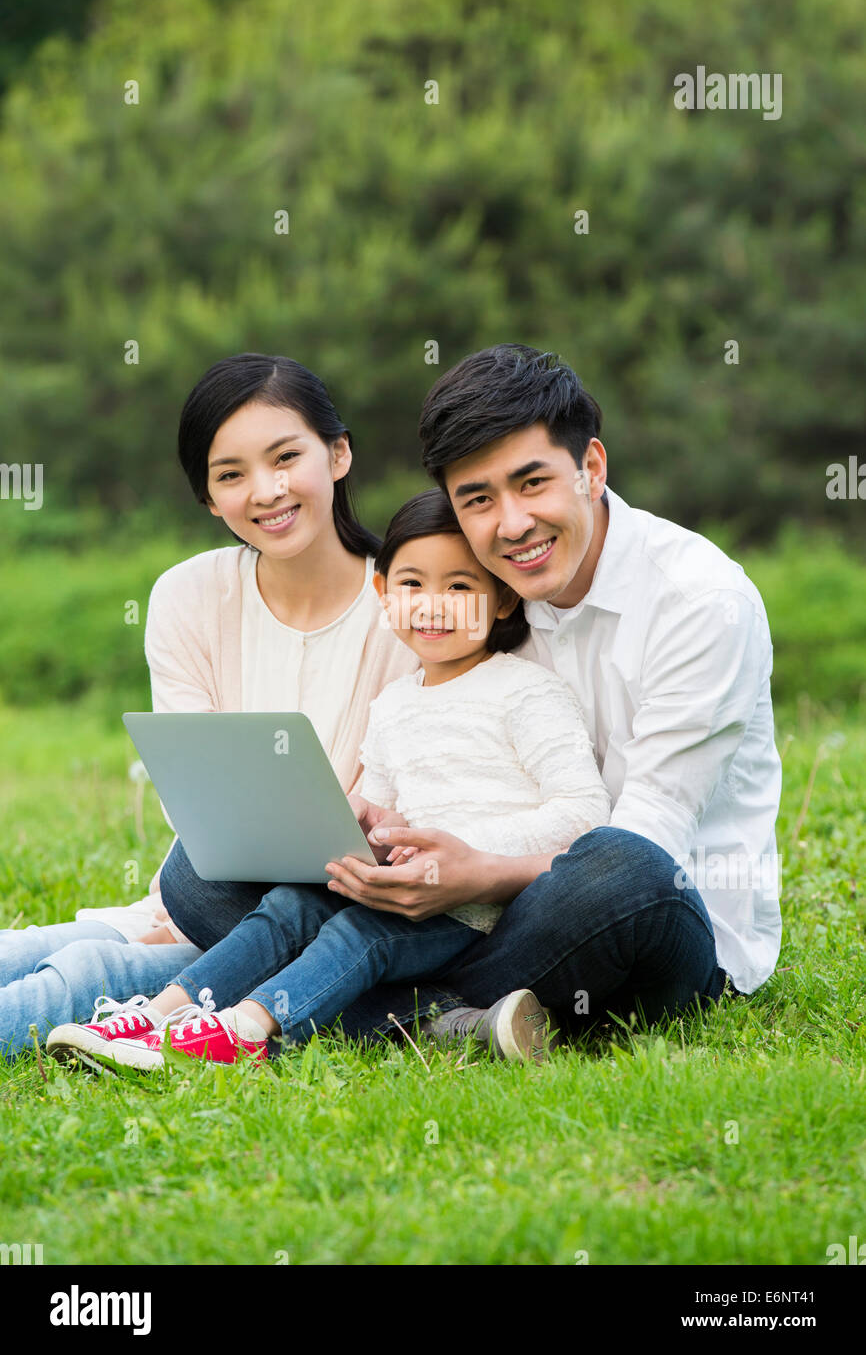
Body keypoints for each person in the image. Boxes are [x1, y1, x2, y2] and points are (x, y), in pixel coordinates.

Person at [293, 343, 783, 1045]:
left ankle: (351, 998)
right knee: (203, 877)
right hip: (466, 916)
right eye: (478, 500)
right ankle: (456, 1017)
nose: (512, 524)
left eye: (532, 483)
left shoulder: (701, 602)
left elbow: (648, 836)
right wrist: (380, 832)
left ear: (591, 467)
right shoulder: (487, 599)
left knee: (622, 871)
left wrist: (480, 874)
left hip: (646, 919)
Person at [46, 489, 612, 1071]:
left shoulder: (526, 690)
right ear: (382, 594)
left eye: (460, 588)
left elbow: (586, 814)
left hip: (477, 909)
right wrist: (366, 826)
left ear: (502, 600)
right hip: (402, 891)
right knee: (290, 906)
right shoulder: (394, 703)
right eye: (412, 584)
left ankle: (241, 1031)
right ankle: (159, 1014)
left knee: (360, 933)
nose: (433, 606)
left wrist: (464, 851)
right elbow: (387, 809)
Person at [0, 352, 415, 1059]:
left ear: (339, 454)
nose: (266, 491)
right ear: (208, 498)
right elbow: (196, 805)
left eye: (286, 457)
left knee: (77, 978)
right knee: (26, 948)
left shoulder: (414, 610)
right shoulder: (190, 596)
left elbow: (391, 818)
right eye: (231, 475)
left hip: (332, 919)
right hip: (199, 897)